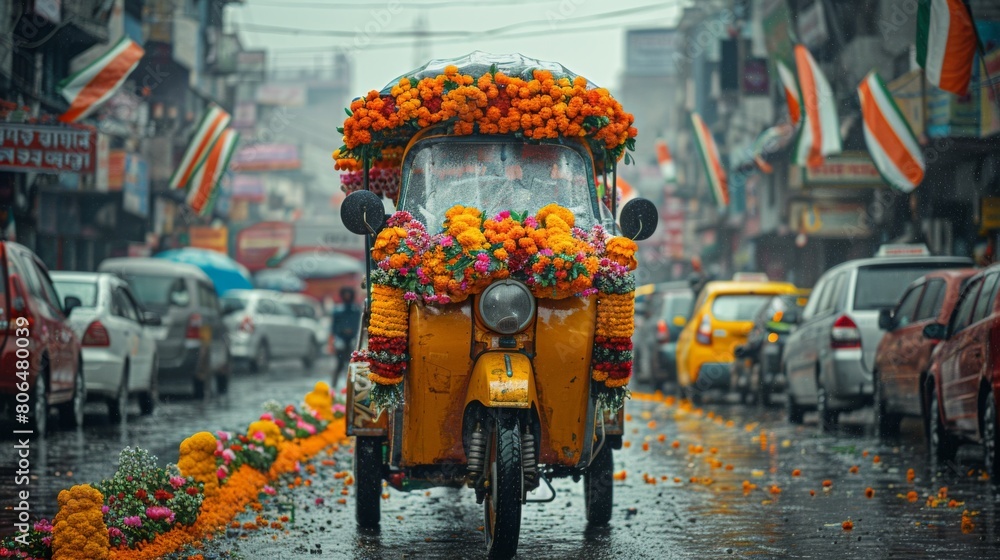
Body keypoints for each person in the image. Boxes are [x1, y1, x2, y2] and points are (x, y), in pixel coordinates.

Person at [331, 286, 362, 387]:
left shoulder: (356, 310)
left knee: (352, 364)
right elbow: (334, 327)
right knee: (340, 364)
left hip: (353, 339)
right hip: (341, 339)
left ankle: (352, 386)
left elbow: (358, 325)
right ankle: (335, 386)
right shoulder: (338, 310)